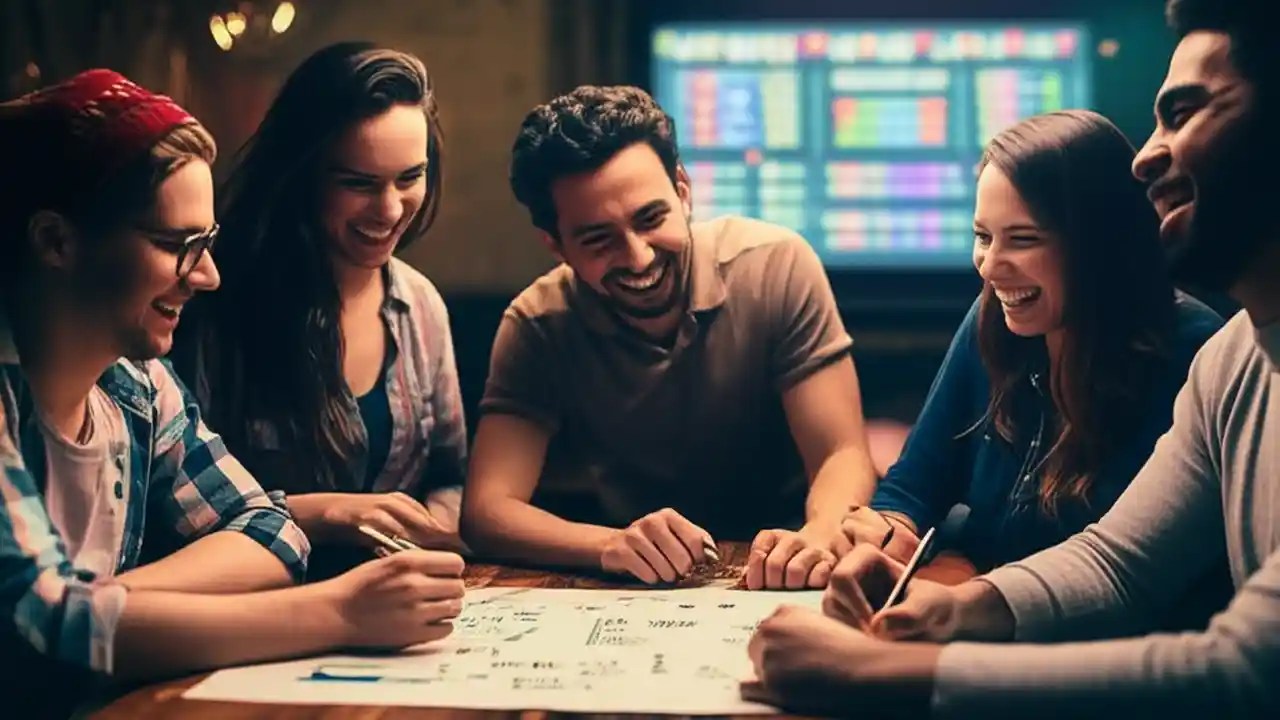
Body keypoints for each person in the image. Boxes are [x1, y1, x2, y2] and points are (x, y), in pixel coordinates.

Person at [744, 1, 1280, 716]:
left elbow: (1249, 671)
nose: (1147, 155)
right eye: (982, 236)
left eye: (1185, 113)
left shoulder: (1196, 347)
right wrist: (953, 611)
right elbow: (1116, 565)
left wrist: (881, 673)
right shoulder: (1235, 364)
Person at [0, 70, 464, 718]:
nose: (209, 276)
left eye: (208, 243)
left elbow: (271, 528)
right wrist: (337, 613)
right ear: (56, 241)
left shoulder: (139, 386)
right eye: (178, 245)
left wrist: (103, 601)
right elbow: (40, 624)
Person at [460, 85, 880, 590]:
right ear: (555, 245)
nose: (638, 258)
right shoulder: (537, 323)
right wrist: (609, 544)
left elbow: (842, 453)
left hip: (788, 551)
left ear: (682, 191)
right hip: (641, 571)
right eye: (599, 239)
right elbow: (487, 511)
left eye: (650, 218)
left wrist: (821, 532)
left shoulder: (777, 265)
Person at [840, 110, 1223, 580]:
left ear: (1100, 245)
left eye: (1023, 240)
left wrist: (972, 579)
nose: (989, 266)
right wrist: (887, 533)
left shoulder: (1191, 352)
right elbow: (915, 486)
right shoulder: (995, 317)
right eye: (983, 237)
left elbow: (1129, 573)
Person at [172, 42, 468, 579]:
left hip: (396, 606)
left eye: (409, 178)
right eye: (358, 183)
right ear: (303, 173)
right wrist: (323, 514)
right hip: (254, 609)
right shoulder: (215, 303)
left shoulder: (419, 306)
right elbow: (168, 510)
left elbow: (451, 471)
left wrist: (430, 530)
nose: (389, 208)